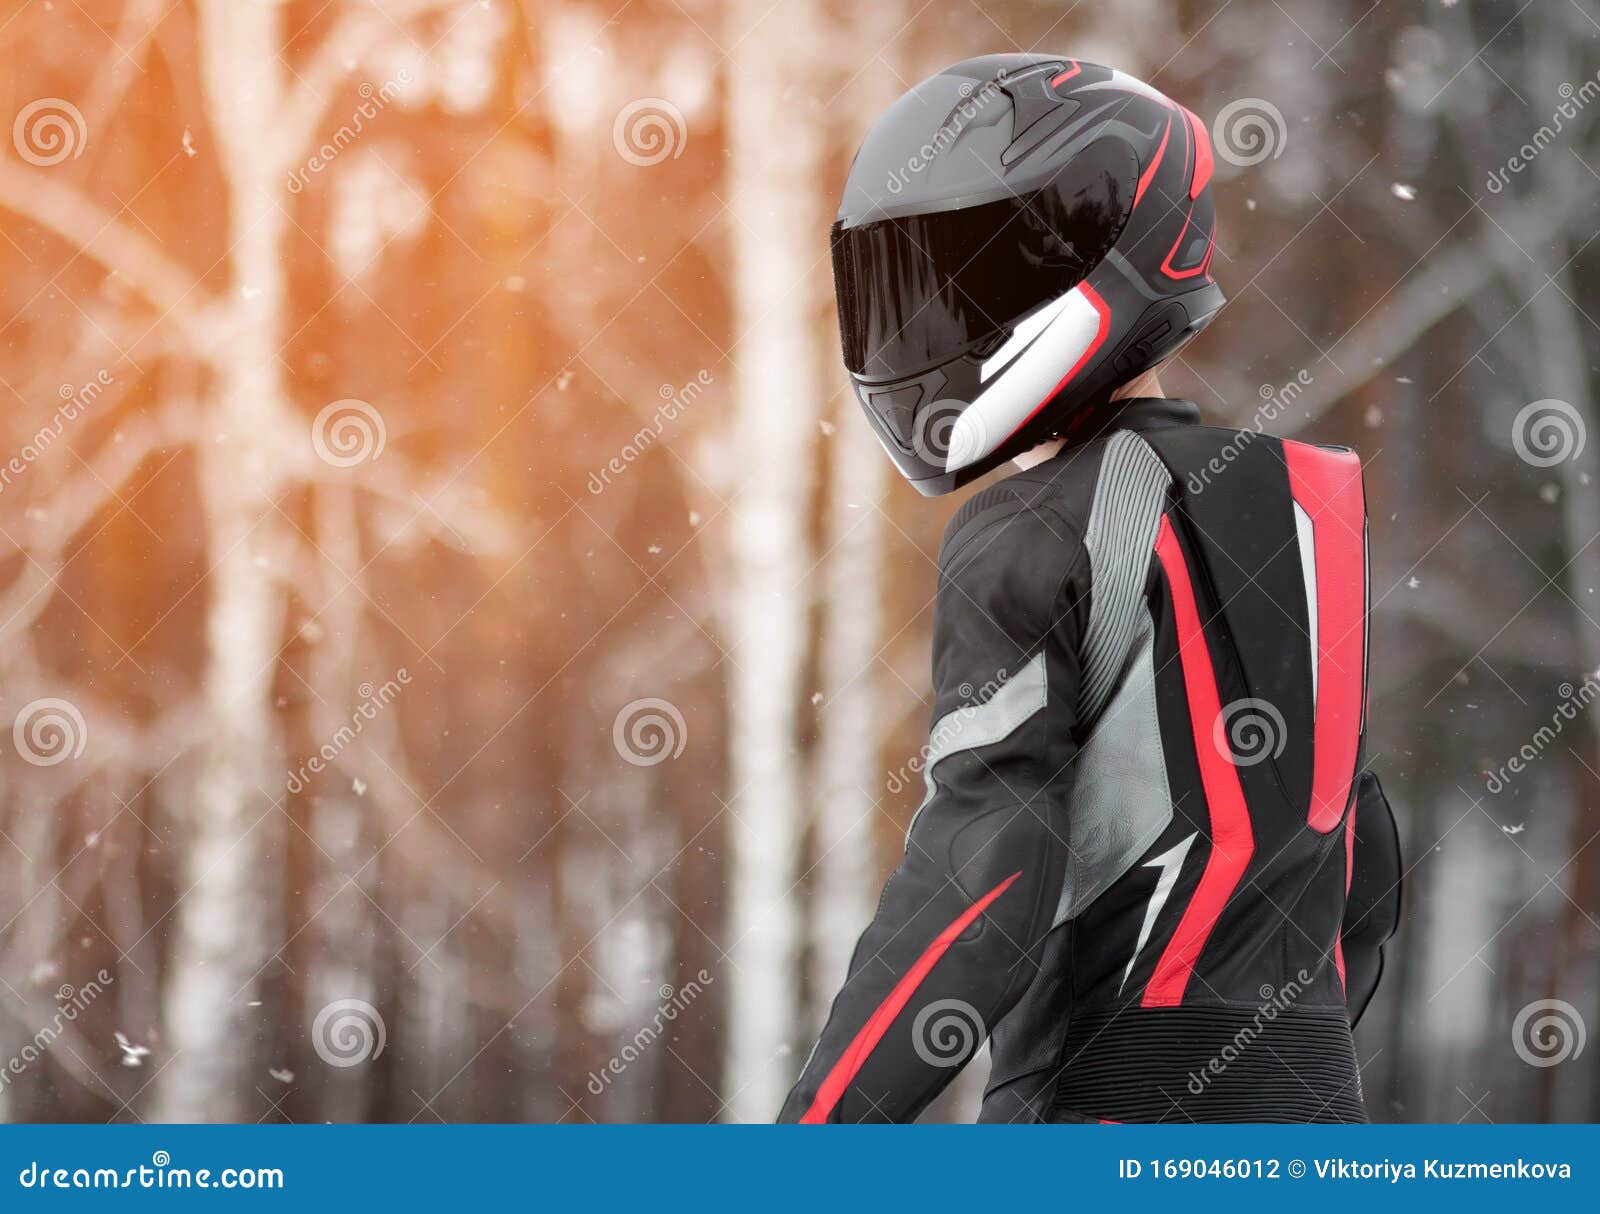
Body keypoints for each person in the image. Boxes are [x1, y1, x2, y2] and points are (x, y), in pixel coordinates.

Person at [779, 54, 1401, 1124]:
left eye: (967, 274)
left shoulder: (1028, 527)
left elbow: (981, 881)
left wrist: (813, 1134)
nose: (933, 318)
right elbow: (1365, 872)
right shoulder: (1311, 510)